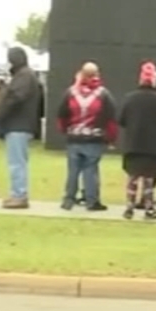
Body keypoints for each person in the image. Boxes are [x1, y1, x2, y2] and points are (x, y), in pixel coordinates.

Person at [117, 61, 156, 220]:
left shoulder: (129, 98)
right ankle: (149, 208)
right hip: (154, 145)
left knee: (133, 176)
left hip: (133, 143)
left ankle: (129, 207)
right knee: (149, 178)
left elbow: (122, 120)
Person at [56, 62, 117, 211]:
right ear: (97, 75)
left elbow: (61, 115)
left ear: (81, 74)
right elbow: (111, 118)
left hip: (74, 138)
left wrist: (65, 130)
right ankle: (92, 201)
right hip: (94, 139)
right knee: (91, 170)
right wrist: (111, 138)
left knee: (73, 171)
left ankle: (68, 200)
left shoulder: (71, 92)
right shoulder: (103, 94)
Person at [0, 46, 41, 209]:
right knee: (17, 161)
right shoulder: (27, 75)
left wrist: (2, 112)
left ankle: (19, 194)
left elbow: (16, 97)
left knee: (17, 162)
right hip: (22, 123)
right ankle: (17, 193)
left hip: (18, 123)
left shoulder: (24, 76)